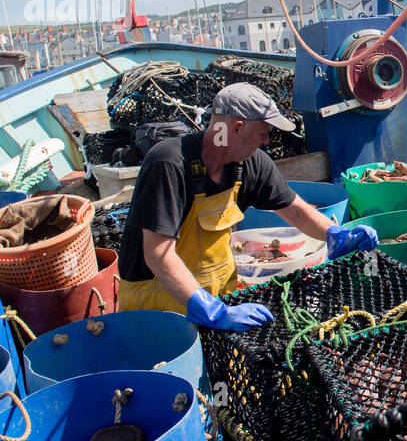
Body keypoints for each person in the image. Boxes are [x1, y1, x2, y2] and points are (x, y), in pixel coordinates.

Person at [116, 83, 378, 329]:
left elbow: (293, 207)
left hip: (219, 300)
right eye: (263, 133)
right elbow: (158, 254)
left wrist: (333, 235)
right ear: (237, 128)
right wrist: (212, 311)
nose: (266, 141)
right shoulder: (169, 164)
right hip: (157, 308)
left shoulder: (251, 163)